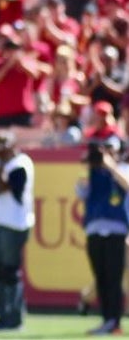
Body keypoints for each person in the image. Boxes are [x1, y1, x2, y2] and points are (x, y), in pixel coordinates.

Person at [77, 135, 129, 336]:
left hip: (116, 230)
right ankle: (107, 320)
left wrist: (110, 166)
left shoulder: (122, 168)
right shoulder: (93, 171)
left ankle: (114, 321)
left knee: (113, 278)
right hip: (94, 229)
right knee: (101, 278)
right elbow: (83, 193)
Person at [0, 131, 35, 332]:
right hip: (1, 222)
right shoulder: (4, 164)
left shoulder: (20, 164)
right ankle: (3, 312)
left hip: (15, 224)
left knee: (9, 270)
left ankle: (14, 316)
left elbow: (4, 188)